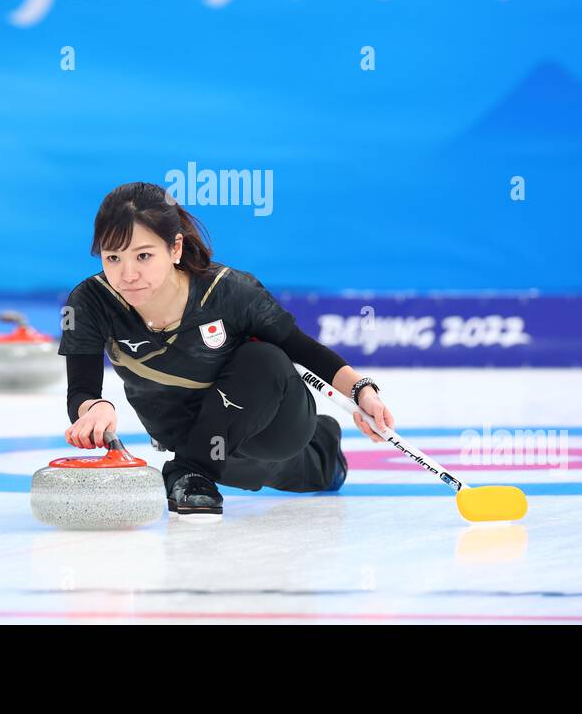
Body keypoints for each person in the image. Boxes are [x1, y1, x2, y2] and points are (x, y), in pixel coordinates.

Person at [58, 182, 395, 517]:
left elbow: (302, 349)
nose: (127, 274)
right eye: (112, 257)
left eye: (143, 255)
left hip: (271, 425)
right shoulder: (90, 302)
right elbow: (82, 391)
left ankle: (189, 471)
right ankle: (322, 449)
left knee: (264, 359)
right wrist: (95, 408)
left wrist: (362, 391)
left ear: (175, 249)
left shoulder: (229, 292)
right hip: (192, 435)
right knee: (285, 469)